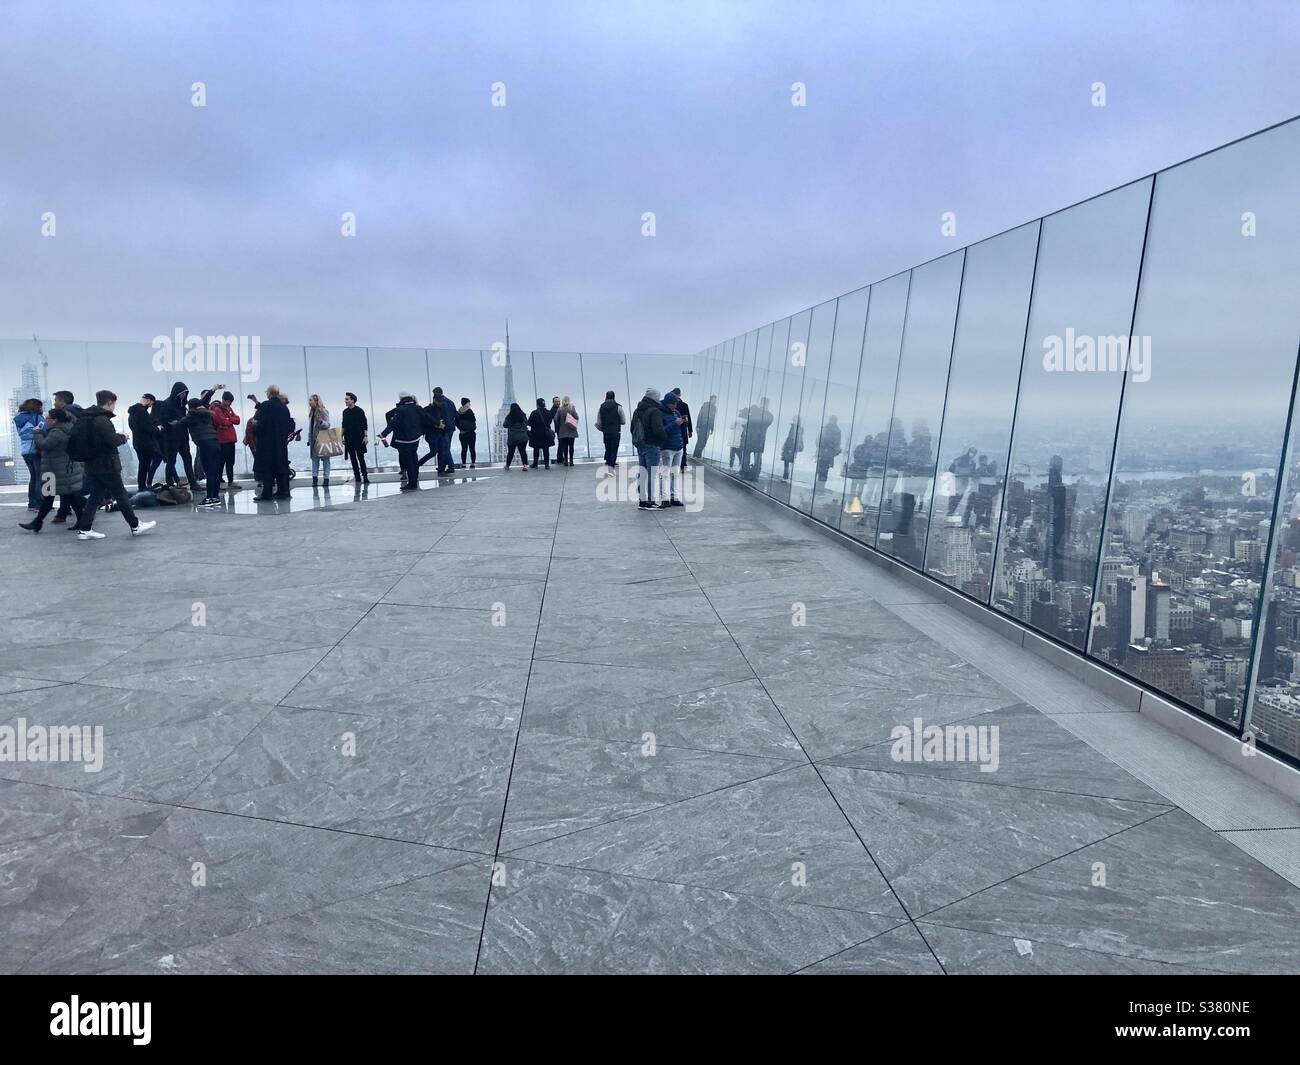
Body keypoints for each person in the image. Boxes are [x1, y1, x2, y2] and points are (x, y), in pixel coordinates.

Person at [71, 391, 156, 540]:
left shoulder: (88, 418)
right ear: (109, 403)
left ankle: (84, 529)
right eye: (114, 404)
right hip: (107, 464)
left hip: (92, 464)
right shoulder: (102, 420)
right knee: (121, 495)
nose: (114, 407)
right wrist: (123, 437)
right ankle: (135, 525)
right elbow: (111, 440)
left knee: (95, 497)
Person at [19, 407, 85, 531]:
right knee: (64, 496)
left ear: (55, 420)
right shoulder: (66, 428)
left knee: (56, 497)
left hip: (56, 470)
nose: (45, 420)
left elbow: (45, 445)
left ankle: (38, 522)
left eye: (48, 418)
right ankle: (38, 522)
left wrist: (37, 433)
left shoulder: (57, 432)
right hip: (60, 469)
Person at [178, 398, 223, 507]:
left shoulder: (193, 415)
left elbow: (180, 423)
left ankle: (209, 498)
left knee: (209, 472)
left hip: (205, 444)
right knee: (216, 472)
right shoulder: (207, 414)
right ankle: (215, 497)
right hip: (216, 443)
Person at [154, 381, 198, 491]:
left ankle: (193, 483)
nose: (183, 395)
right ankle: (170, 483)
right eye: (182, 393)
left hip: (183, 437)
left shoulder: (183, 404)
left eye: (185, 393)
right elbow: (164, 420)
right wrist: (176, 423)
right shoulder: (167, 404)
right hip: (171, 438)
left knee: (187, 459)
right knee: (171, 461)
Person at [253, 385, 294, 501]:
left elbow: (261, 425)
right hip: (280, 443)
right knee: (281, 466)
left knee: (268, 469)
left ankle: (267, 493)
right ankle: (283, 491)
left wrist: (256, 426)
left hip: (267, 443)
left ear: (270, 393)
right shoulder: (284, 407)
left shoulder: (266, 406)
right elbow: (288, 425)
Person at [380, 391, 424, 489]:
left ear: (400, 398)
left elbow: (393, 423)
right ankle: (414, 479)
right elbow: (426, 417)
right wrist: (438, 423)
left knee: (408, 461)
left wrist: (384, 433)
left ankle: (412, 483)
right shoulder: (417, 408)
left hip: (404, 439)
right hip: (415, 438)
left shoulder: (400, 409)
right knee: (414, 458)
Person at [630, 388, 666, 510]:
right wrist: (664, 437)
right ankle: (651, 501)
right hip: (652, 445)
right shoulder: (655, 411)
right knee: (652, 474)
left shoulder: (637, 410)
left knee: (643, 473)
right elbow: (658, 429)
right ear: (655, 397)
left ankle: (642, 500)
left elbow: (632, 428)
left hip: (641, 444)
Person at [127, 394, 163, 493]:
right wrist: (157, 428)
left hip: (137, 442)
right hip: (145, 443)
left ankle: (142, 485)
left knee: (142, 465)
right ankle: (142, 486)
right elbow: (147, 428)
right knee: (145, 465)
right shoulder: (142, 412)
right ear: (148, 400)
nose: (151, 406)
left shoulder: (132, 412)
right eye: (151, 404)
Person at [12, 398, 44, 509]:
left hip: (25, 451)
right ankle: (40, 503)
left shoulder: (19, 418)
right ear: (36, 407)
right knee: (40, 477)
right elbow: (44, 430)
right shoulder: (37, 417)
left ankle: (32, 502)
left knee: (33, 477)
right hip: (36, 449)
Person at [659, 391, 686, 507]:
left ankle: (674, 497)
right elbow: (662, 431)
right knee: (665, 474)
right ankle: (665, 498)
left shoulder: (677, 412)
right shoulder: (660, 414)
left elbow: (681, 429)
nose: (675, 406)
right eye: (673, 404)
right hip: (667, 448)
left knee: (675, 473)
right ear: (667, 403)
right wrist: (675, 424)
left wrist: (684, 423)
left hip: (679, 447)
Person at [210, 392, 242, 490]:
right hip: (222, 440)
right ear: (223, 400)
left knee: (230, 462)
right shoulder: (217, 410)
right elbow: (222, 421)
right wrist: (229, 420)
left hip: (231, 440)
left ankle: (230, 481)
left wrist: (229, 419)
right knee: (221, 463)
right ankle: (218, 483)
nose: (230, 404)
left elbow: (238, 420)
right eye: (228, 402)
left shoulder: (229, 409)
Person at [341, 392, 370, 485]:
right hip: (349, 438)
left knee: (361, 458)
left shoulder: (359, 411)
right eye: (345, 399)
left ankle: (365, 477)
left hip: (359, 438)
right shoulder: (345, 412)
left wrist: (365, 436)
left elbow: (364, 424)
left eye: (347, 399)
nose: (345, 401)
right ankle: (357, 477)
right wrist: (341, 436)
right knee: (353, 458)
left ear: (352, 400)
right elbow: (343, 425)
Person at [307, 394, 334, 488]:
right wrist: (309, 439)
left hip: (323, 440)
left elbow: (328, 425)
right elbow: (310, 428)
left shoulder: (323, 411)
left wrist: (321, 421)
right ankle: (315, 480)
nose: (309, 403)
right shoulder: (311, 412)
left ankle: (326, 480)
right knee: (315, 461)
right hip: (314, 441)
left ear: (316, 401)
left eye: (310, 400)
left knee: (325, 461)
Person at [595, 390, 624, 467]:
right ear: (614, 397)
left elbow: (599, 422)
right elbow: (623, 421)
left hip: (606, 432)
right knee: (614, 448)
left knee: (608, 447)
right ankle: (612, 463)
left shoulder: (601, 407)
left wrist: (602, 429)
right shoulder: (618, 407)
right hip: (615, 432)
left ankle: (608, 460)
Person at [527, 398, 555, 469]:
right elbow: (550, 421)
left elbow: (529, 423)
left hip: (536, 434)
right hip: (545, 434)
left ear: (537, 405)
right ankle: (547, 464)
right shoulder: (548, 412)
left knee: (536, 449)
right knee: (546, 449)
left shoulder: (534, 413)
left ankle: (535, 464)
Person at [503, 403, 529, 470]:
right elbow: (526, 423)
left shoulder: (509, 417)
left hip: (513, 437)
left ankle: (507, 466)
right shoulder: (523, 415)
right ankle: (525, 465)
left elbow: (505, 425)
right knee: (523, 451)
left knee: (511, 452)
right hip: (523, 436)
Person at [671, 388, 692, 471]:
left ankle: (674, 465)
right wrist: (690, 431)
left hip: (673, 430)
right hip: (682, 430)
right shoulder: (684, 405)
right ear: (680, 394)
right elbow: (688, 419)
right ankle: (683, 466)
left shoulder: (669, 405)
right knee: (683, 448)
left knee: (672, 448)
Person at [816, 415, 841, 483]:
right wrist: (834, 452)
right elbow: (837, 445)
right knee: (825, 470)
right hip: (829, 454)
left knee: (820, 469)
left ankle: (819, 485)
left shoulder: (825, 428)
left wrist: (819, 448)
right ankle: (821, 486)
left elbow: (818, 440)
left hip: (823, 452)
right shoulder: (837, 430)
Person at [555, 396, 579, 466]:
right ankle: (571, 461)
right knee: (571, 446)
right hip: (571, 430)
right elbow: (576, 417)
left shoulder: (560, 409)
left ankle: (566, 460)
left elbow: (556, 419)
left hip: (563, 430)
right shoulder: (572, 408)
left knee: (565, 446)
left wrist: (561, 424)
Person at [780, 416, 804, 481]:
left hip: (790, 447)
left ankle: (785, 477)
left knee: (786, 462)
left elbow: (791, 438)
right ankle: (787, 476)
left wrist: (788, 447)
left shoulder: (794, 427)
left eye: (794, 419)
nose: (793, 420)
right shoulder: (800, 428)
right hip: (792, 447)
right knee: (789, 462)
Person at [455, 397, 477, 468]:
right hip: (471, 433)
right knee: (472, 449)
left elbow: (456, 422)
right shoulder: (469, 411)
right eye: (468, 403)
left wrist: (461, 428)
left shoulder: (458, 412)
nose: (470, 404)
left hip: (462, 433)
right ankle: (473, 463)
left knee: (464, 449)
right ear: (466, 403)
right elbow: (474, 421)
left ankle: (464, 464)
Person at [693, 393, 717, 458]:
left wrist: (712, 428)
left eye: (715, 400)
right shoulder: (706, 405)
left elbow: (713, 419)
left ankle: (698, 454)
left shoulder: (714, 408)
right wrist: (698, 426)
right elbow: (700, 415)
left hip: (708, 427)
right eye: (713, 400)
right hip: (702, 425)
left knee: (704, 441)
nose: (715, 401)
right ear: (710, 400)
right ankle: (696, 455)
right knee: (701, 440)